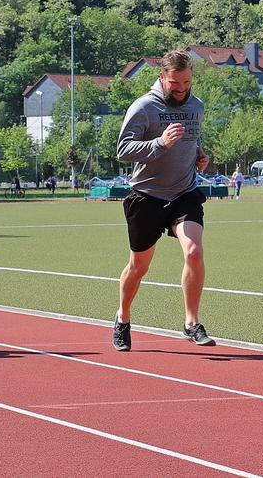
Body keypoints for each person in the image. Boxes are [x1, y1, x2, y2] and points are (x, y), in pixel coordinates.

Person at [112, 49, 214, 351]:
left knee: (194, 251)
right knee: (138, 266)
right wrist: (159, 143)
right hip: (147, 196)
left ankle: (191, 322)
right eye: (175, 83)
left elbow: (191, 137)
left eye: (186, 82)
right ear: (162, 77)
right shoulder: (143, 107)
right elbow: (123, 149)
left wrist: (199, 154)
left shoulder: (196, 106)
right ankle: (123, 316)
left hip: (184, 192)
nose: (181, 89)